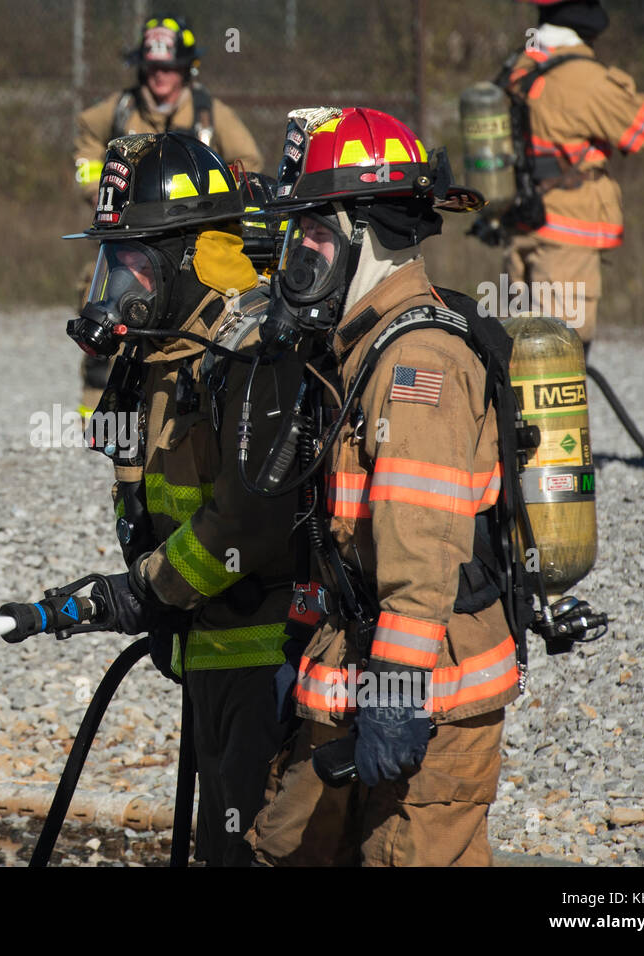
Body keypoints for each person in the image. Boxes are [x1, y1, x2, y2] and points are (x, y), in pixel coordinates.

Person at [242, 106, 515, 866]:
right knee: (283, 849)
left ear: (367, 238)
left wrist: (396, 691)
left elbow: (421, 549)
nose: (300, 257)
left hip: (429, 694)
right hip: (348, 670)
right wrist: (305, 650)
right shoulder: (353, 350)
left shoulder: (417, 363)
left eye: (316, 237)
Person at [68, 132, 300, 865]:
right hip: (207, 648)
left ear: (190, 254)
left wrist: (149, 591)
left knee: (257, 848)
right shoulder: (162, 353)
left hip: (271, 662)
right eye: (112, 264)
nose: (116, 289)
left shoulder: (251, 350)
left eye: (132, 264)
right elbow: (140, 494)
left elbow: (248, 520)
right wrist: (159, 600)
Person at [72, 13, 263, 416]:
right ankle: (99, 411)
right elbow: (87, 137)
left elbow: (250, 161)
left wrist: (214, 199)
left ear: (186, 69)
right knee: (104, 302)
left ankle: (171, 403)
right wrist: (96, 188)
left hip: (186, 241)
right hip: (126, 237)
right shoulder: (122, 109)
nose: (160, 76)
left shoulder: (211, 114)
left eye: (169, 68)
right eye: (153, 67)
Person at [503, 0, 644, 354]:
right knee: (560, 358)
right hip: (566, 238)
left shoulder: (521, 65)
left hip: (522, 230)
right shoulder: (583, 78)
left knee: (519, 354)